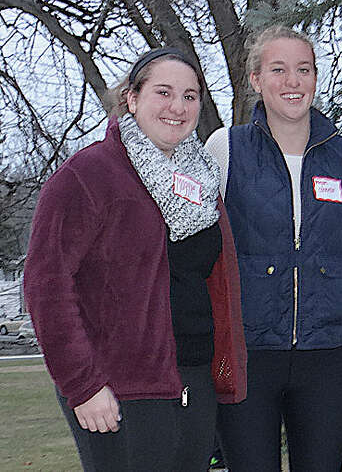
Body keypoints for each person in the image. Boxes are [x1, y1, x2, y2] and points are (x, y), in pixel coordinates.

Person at [24, 47, 247, 472]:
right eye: (164, 92)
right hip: (119, 384)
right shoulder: (88, 175)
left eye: (190, 95)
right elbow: (45, 285)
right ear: (131, 98)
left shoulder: (201, 181)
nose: (178, 107)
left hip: (193, 379)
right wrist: (83, 385)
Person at [206, 26, 342, 471]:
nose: (293, 81)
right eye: (278, 70)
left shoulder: (341, 152)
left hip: (323, 354)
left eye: (303, 70)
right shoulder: (225, 148)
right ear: (256, 79)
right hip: (250, 353)